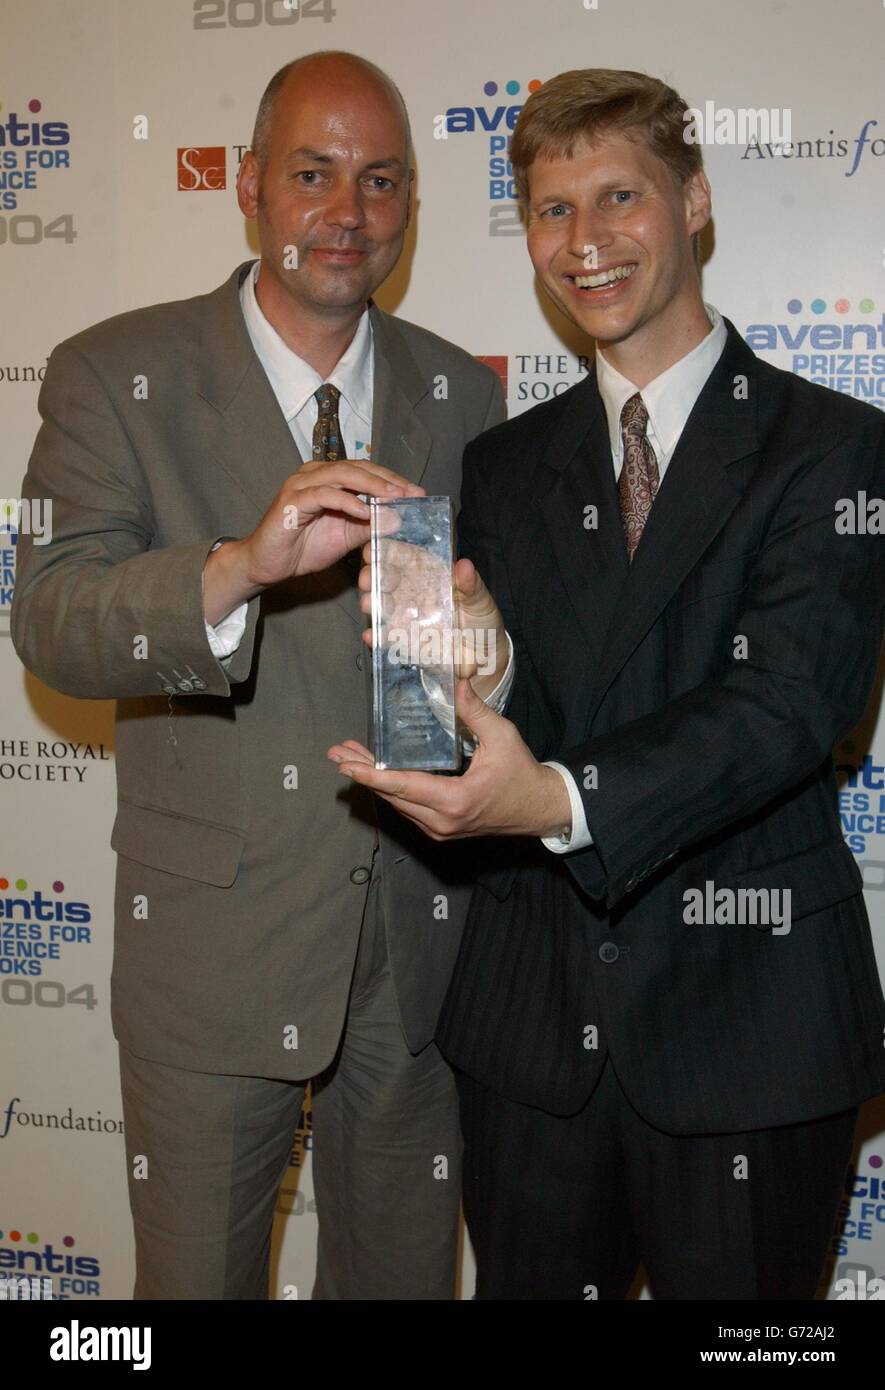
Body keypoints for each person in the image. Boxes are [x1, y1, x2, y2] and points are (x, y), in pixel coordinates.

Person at [328, 67, 885, 1300]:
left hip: (750, 1031)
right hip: (533, 1037)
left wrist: (557, 802)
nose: (585, 244)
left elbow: (789, 708)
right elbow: (510, 723)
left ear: (693, 202)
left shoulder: (835, 449)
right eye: (551, 211)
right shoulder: (506, 462)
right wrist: (485, 661)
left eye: (619, 197)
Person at [11, 50, 505, 1300]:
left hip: (416, 951)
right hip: (211, 950)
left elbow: (475, 655)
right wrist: (233, 568)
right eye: (313, 172)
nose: (348, 211)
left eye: (382, 179)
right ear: (247, 187)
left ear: (411, 206)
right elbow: (53, 618)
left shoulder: (465, 393)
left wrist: (488, 655)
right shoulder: (113, 373)